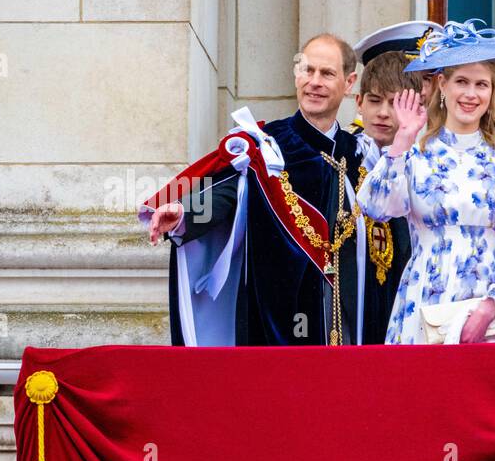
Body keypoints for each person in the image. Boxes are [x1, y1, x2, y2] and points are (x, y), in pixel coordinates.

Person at [142, 33, 372, 346]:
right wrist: (184, 213)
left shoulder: (360, 155)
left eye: (327, 73)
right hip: (277, 318)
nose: (314, 82)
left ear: (349, 83)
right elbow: (227, 193)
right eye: (308, 70)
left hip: (345, 320)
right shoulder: (267, 144)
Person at [356, 20, 495, 344]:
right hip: (423, 301)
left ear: (492, 92)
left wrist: (490, 305)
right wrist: (402, 142)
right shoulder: (415, 155)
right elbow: (374, 206)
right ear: (442, 85)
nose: (470, 94)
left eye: (481, 84)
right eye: (461, 82)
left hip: (489, 313)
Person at [350, 49, 428, 342]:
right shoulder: (340, 158)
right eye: (374, 100)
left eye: (395, 103)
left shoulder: (424, 165)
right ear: (359, 103)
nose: (383, 113)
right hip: (353, 303)